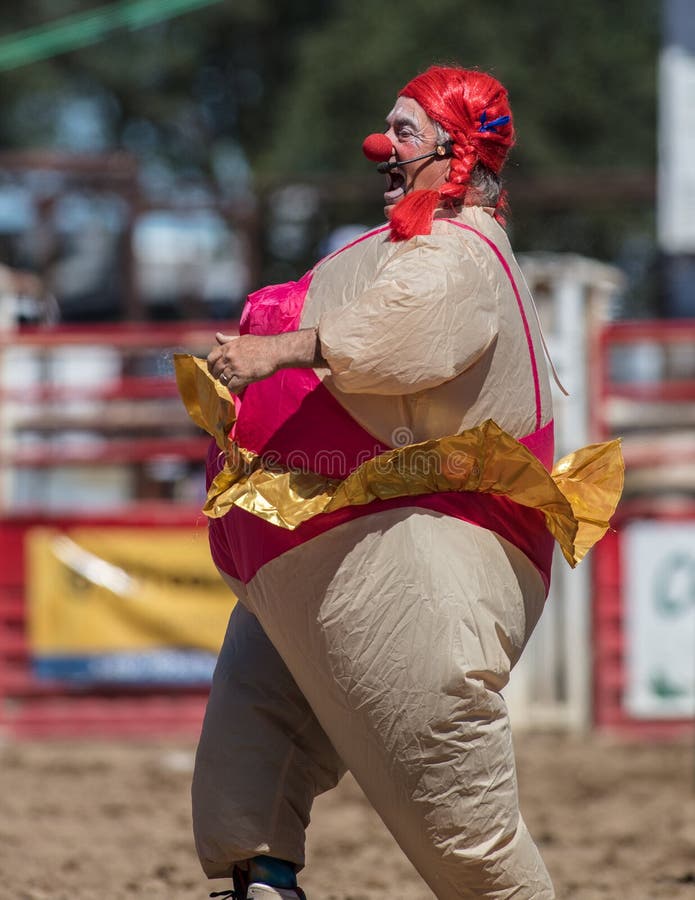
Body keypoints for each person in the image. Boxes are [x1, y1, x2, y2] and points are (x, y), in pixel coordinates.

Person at [175, 65, 623, 900]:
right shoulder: (412, 247)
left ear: (455, 154)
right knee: (253, 723)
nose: (381, 147)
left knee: (461, 833)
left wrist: (278, 349)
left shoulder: (458, 254)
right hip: (337, 535)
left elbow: (408, 338)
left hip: (421, 559)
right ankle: (260, 881)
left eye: (403, 133)